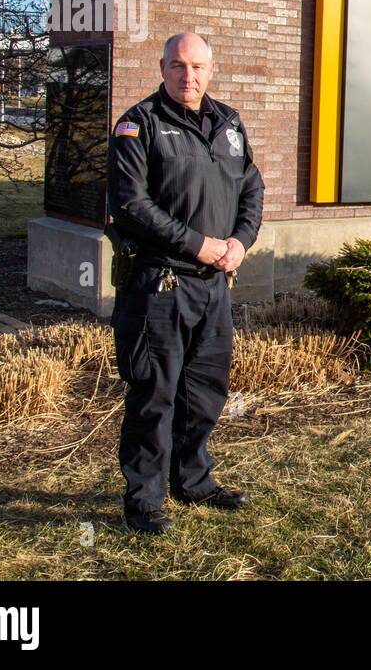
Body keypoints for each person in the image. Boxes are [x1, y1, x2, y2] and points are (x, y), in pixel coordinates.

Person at [106, 32, 264, 535]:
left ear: (211, 70)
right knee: (155, 394)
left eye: (197, 67)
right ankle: (144, 502)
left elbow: (251, 186)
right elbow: (132, 205)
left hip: (215, 284)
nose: (187, 76)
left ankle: (193, 481)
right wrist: (198, 244)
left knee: (205, 393)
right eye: (177, 66)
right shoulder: (139, 124)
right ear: (162, 67)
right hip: (161, 285)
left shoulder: (229, 123)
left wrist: (240, 241)